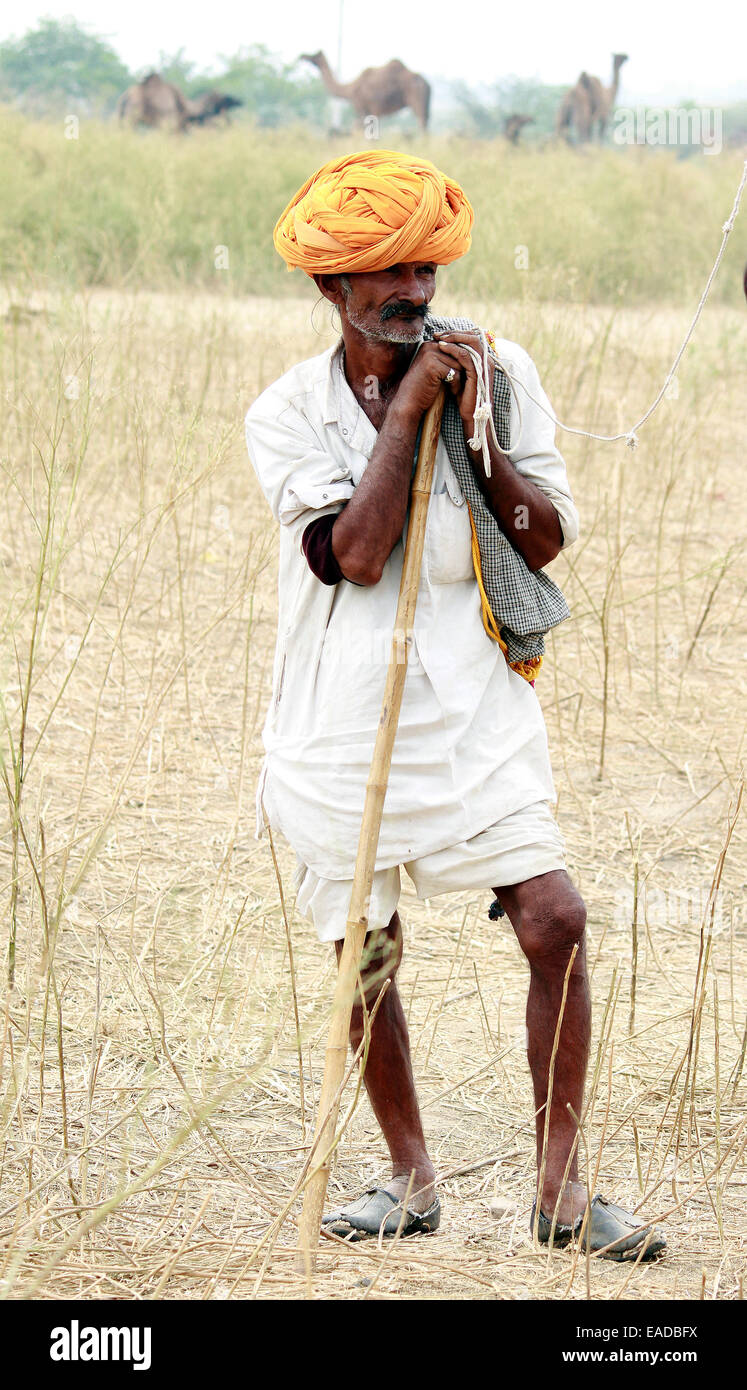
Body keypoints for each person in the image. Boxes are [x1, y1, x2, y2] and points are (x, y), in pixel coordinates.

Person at [245, 150, 665, 1261]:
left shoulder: (502, 370)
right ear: (332, 290)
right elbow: (358, 552)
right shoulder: (286, 411)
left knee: (556, 918)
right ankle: (408, 1175)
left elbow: (545, 537)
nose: (416, 293)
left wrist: (475, 432)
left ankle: (562, 1188)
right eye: (388, 274)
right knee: (364, 946)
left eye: (427, 267)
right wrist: (411, 411)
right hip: (338, 707)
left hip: (476, 696)